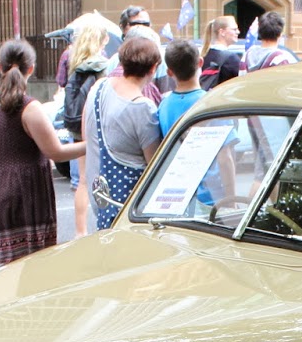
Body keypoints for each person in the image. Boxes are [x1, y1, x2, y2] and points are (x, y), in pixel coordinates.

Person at [0, 39, 84, 264]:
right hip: (26, 191)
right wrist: (92, 145)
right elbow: (56, 152)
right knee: (32, 265)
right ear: (31, 68)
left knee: (6, 268)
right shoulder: (29, 108)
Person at [84, 36, 160, 230]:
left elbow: (86, 132)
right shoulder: (142, 107)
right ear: (153, 68)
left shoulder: (98, 87)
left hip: (101, 198)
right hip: (129, 205)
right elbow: (154, 162)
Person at [62, 24, 112, 236]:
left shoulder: (75, 64)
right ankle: (105, 224)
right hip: (97, 125)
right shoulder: (102, 66)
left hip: (76, 128)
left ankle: (80, 230)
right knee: (105, 176)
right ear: (99, 42)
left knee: (83, 179)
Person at [158, 40, 205, 134]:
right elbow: (227, 147)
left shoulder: (163, 106)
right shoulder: (209, 102)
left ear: (169, 72)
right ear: (200, 62)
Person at [200, 16, 241, 89]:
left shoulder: (204, 55)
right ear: (222, 32)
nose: (238, 32)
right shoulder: (231, 59)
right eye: (234, 29)